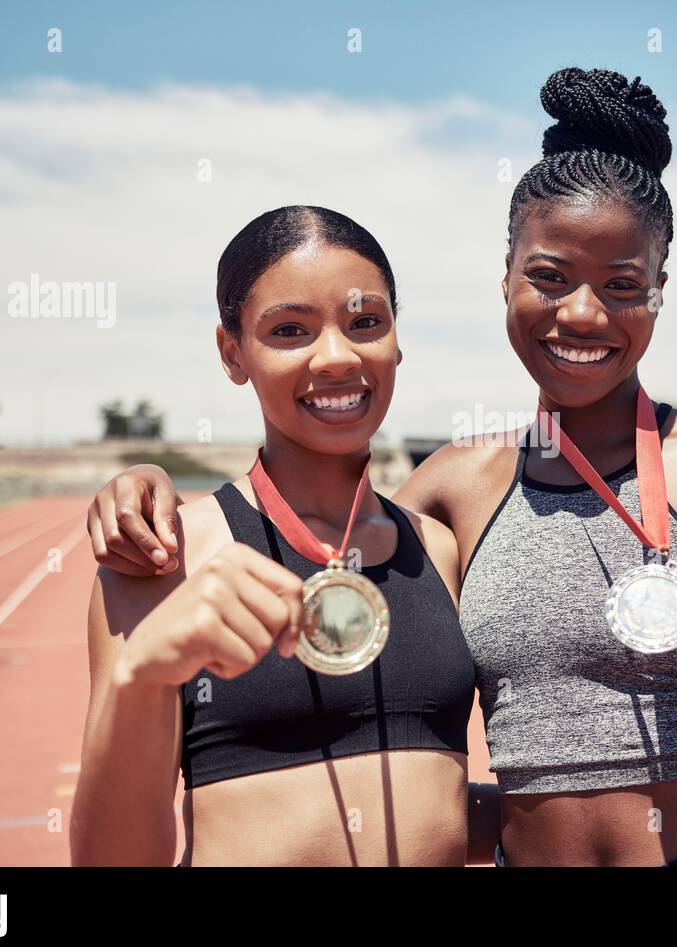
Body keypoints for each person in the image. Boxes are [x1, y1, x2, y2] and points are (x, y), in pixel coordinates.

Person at [87, 69, 677, 866]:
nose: (581, 313)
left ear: (659, 291)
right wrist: (144, 482)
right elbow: (313, 538)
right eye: (549, 276)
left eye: (623, 285)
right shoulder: (447, 498)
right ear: (505, 275)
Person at [71, 206, 492, 866]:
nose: (336, 356)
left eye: (365, 323)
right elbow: (110, 860)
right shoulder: (161, 558)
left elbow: (440, 798)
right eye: (290, 329)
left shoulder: (438, 549)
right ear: (232, 353)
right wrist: (143, 675)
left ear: (396, 341)